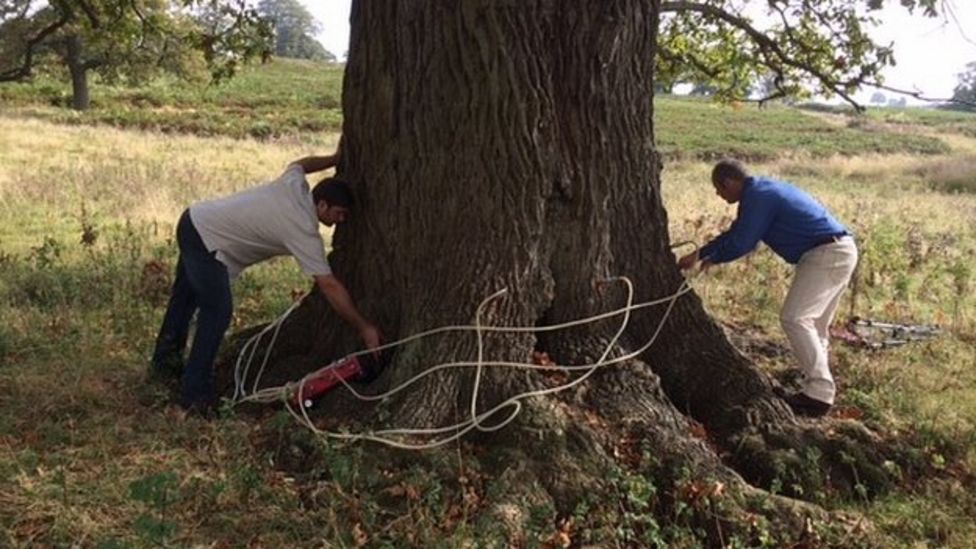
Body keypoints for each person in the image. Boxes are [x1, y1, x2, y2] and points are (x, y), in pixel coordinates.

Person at [151, 150, 381, 413]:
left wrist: (334, 159)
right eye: (339, 213)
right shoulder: (302, 228)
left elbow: (299, 164)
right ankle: (193, 395)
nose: (342, 221)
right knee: (217, 312)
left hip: (194, 219)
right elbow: (329, 285)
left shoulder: (293, 186)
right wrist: (363, 327)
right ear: (322, 206)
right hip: (208, 242)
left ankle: (164, 365)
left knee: (186, 299)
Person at [677, 159, 858, 418]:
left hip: (826, 253)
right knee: (815, 324)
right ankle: (815, 391)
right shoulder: (762, 190)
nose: (719, 195)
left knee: (795, 319)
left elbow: (743, 241)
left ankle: (818, 394)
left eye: (719, 190)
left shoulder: (758, 197)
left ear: (728, 182)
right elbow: (736, 233)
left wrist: (711, 259)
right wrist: (700, 254)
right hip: (838, 249)